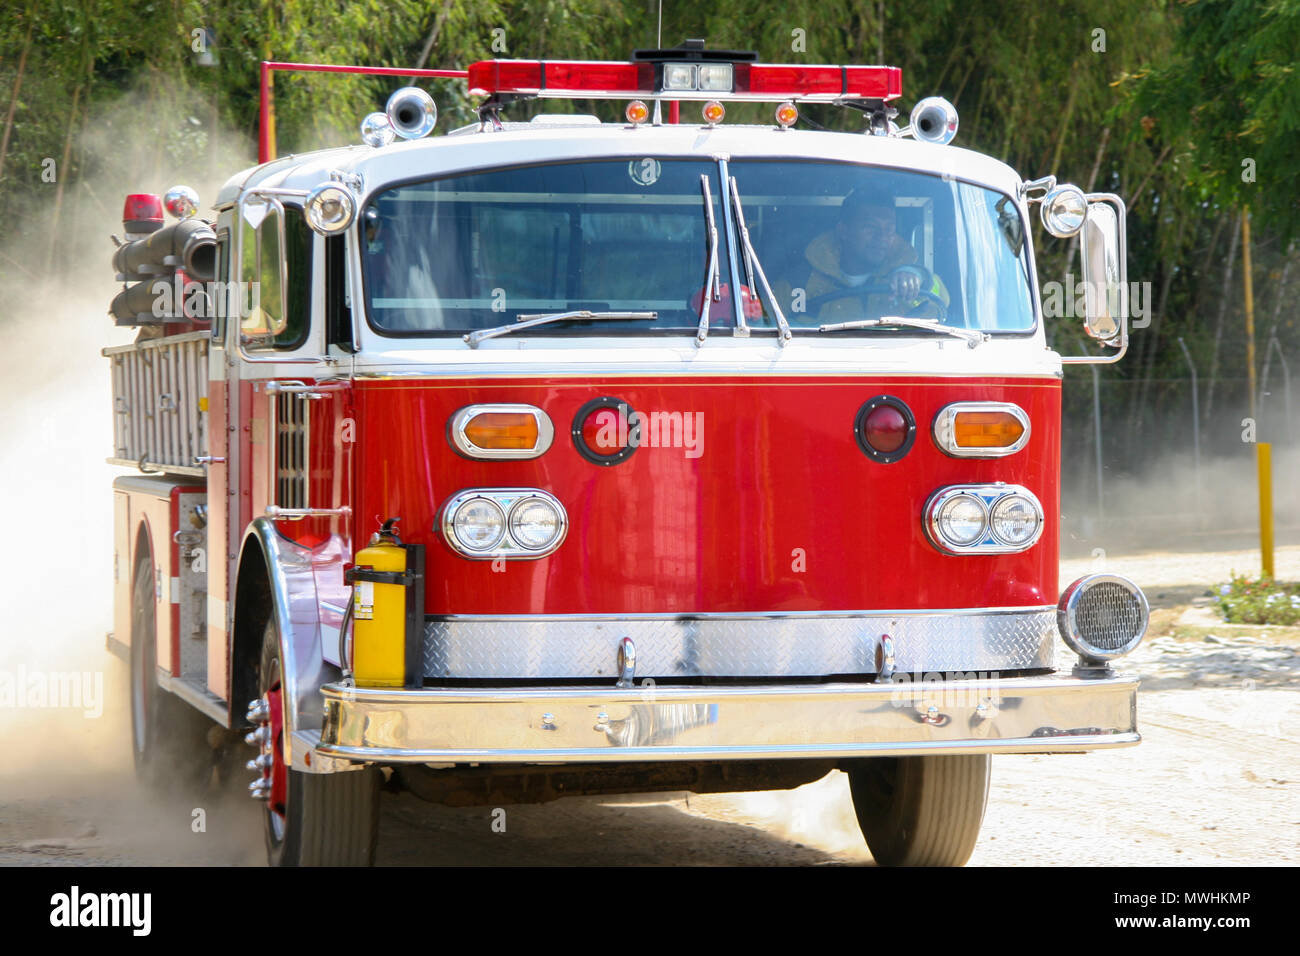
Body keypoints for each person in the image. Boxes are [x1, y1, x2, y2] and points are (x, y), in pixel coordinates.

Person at [802, 190, 949, 322]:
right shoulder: (800, 283)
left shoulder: (906, 282)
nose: (882, 237)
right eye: (870, 227)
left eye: (889, 229)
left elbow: (942, 302)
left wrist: (920, 277)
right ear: (843, 230)